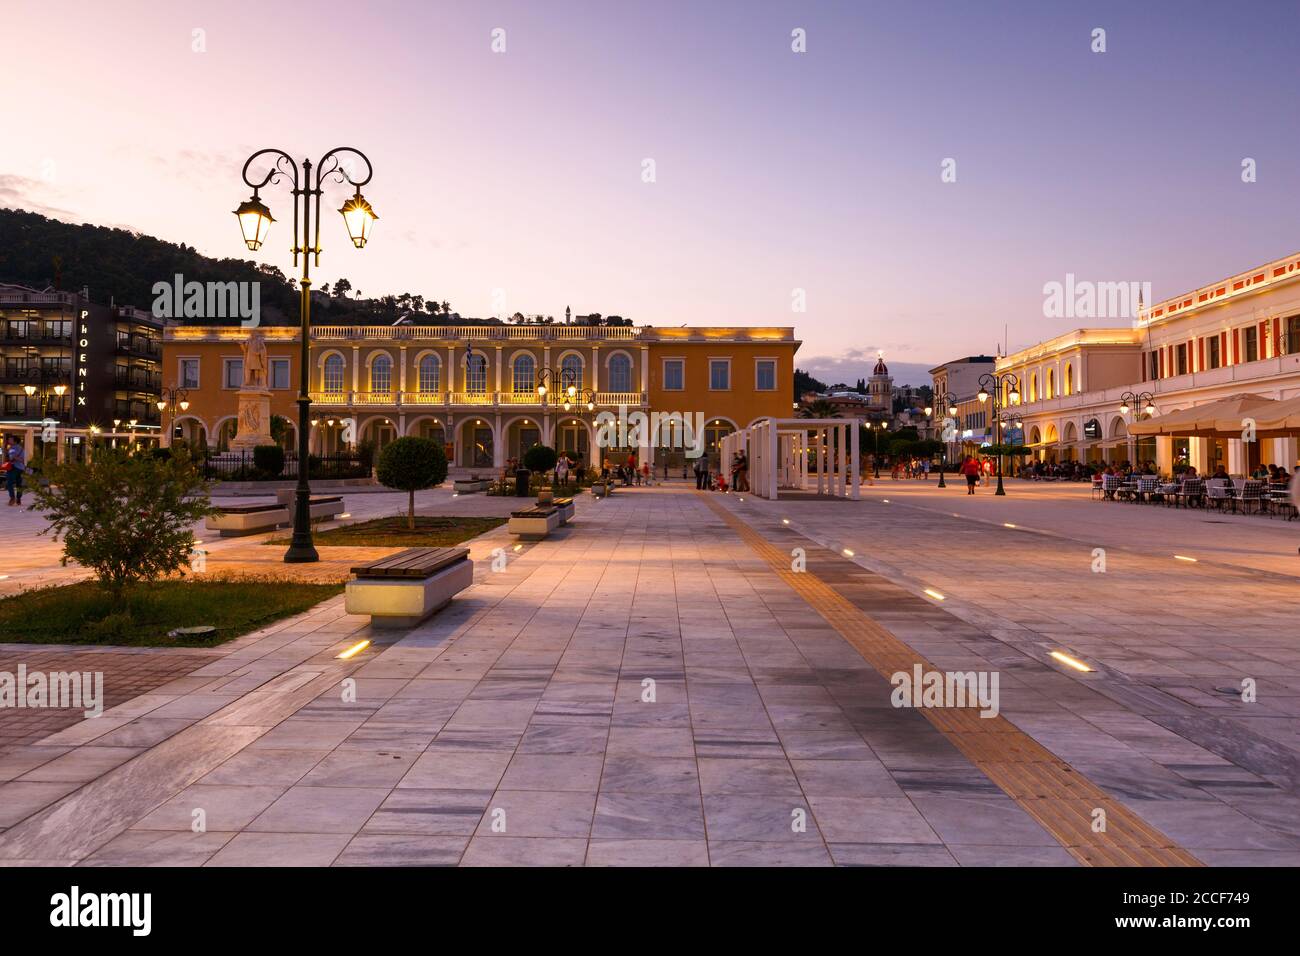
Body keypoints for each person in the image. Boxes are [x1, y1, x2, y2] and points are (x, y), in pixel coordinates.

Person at [4, 435, 26, 506]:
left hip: (14, 468)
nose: (9, 441)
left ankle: (12, 498)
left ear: (15, 441)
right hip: (21, 468)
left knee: (9, 483)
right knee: (19, 484)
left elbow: (11, 458)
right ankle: (18, 499)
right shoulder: (21, 448)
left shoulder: (12, 448)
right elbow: (23, 459)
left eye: (10, 440)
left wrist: (11, 456)